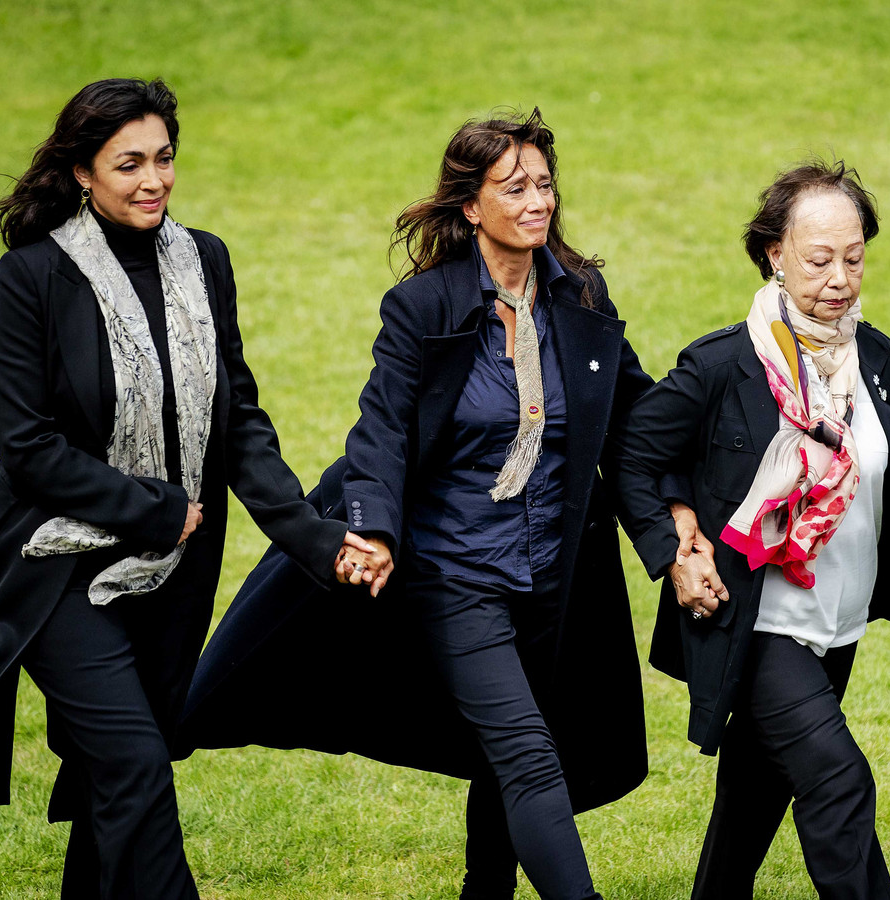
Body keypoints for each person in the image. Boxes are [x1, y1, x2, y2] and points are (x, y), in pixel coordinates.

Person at [0, 78, 364, 899]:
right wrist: (156, 508)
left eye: (164, 158)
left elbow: (236, 419)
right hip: (55, 567)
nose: (154, 180)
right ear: (83, 173)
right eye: (129, 164)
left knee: (110, 784)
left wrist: (314, 537)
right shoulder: (34, 277)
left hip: (172, 576)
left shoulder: (205, 259)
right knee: (132, 764)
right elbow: (28, 448)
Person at [181, 108, 679, 900]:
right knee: (526, 752)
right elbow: (380, 431)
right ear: (470, 206)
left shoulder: (579, 294)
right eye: (513, 188)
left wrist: (685, 492)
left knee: (506, 749)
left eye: (543, 185)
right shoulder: (423, 306)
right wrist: (374, 532)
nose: (536, 202)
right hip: (456, 574)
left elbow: (629, 414)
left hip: (552, 576)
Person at [612, 159, 890, 900]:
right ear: (774, 255)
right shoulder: (723, 365)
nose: (839, 279)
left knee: (755, 792)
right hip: (755, 622)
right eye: (819, 261)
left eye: (854, 258)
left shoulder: (874, 357)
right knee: (838, 779)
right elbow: (633, 452)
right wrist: (672, 545)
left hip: (839, 619)